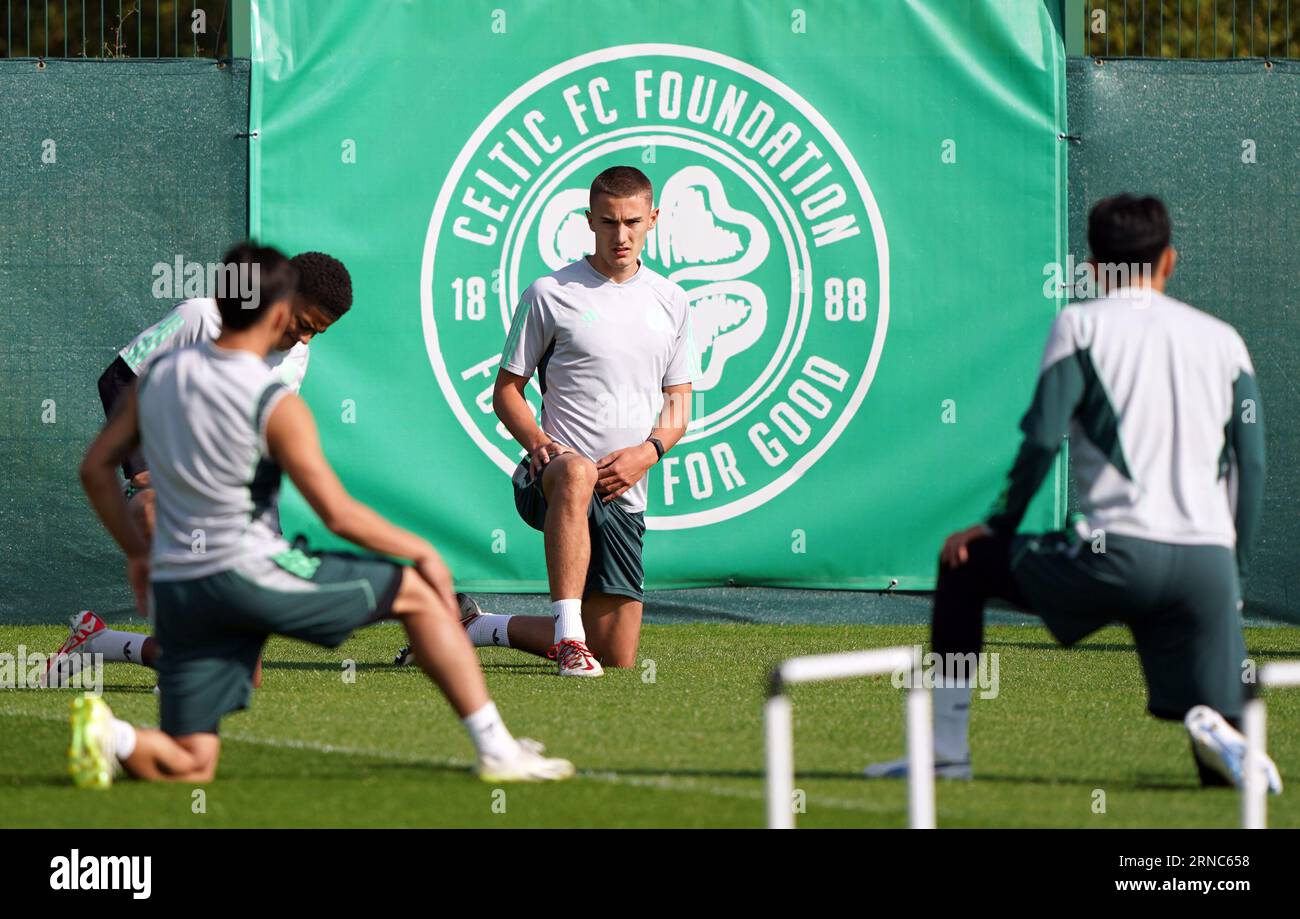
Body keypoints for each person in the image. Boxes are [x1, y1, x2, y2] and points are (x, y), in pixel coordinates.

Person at [69, 243, 573, 787]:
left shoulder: (164, 376)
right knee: (421, 597)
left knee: (192, 762)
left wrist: (141, 556)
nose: (304, 337)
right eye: (302, 324)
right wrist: (421, 551)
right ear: (279, 308)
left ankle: (112, 735)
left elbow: (94, 470)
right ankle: (498, 751)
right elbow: (336, 513)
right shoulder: (273, 401)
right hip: (242, 568)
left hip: (187, 581)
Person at [865, 194, 1281, 793]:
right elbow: (1254, 462)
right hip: (1205, 567)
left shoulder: (1080, 324)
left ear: (1090, 266)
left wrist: (996, 528)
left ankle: (945, 752)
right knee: (1221, 780)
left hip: (1116, 557)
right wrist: (1231, 571)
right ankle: (1219, 732)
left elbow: (1041, 441)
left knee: (961, 567)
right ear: (1169, 261)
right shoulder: (1225, 339)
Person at [397, 165, 695, 677]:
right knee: (576, 472)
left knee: (619, 654)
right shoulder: (549, 292)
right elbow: (506, 392)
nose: (619, 235)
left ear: (653, 219)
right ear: (589, 220)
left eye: (630, 222)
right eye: (606, 222)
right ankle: (570, 641)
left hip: (624, 491)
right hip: (552, 477)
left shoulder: (672, 300)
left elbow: (679, 402)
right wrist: (538, 443)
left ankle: (476, 627)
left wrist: (649, 453)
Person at [44, 252, 351, 684]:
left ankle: (97, 642)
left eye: (316, 333)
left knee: (239, 673)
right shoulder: (199, 316)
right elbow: (119, 377)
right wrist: (139, 468)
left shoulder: (296, 355)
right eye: (303, 323)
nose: (303, 338)